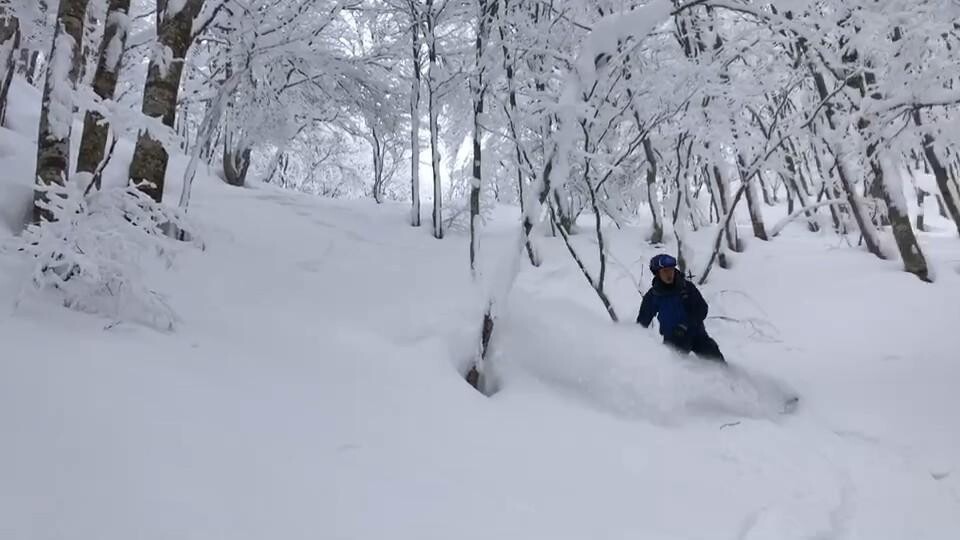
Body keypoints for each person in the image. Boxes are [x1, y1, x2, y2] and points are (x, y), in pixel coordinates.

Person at [636, 254, 725, 363]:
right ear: (657, 273)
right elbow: (641, 323)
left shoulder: (686, 288)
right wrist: (639, 345)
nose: (669, 274)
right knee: (672, 369)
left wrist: (685, 325)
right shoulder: (653, 295)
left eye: (671, 270)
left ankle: (728, 379)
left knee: (715, 360)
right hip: (673, 340)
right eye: (665, 271)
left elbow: (702, 309)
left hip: (697, 334)